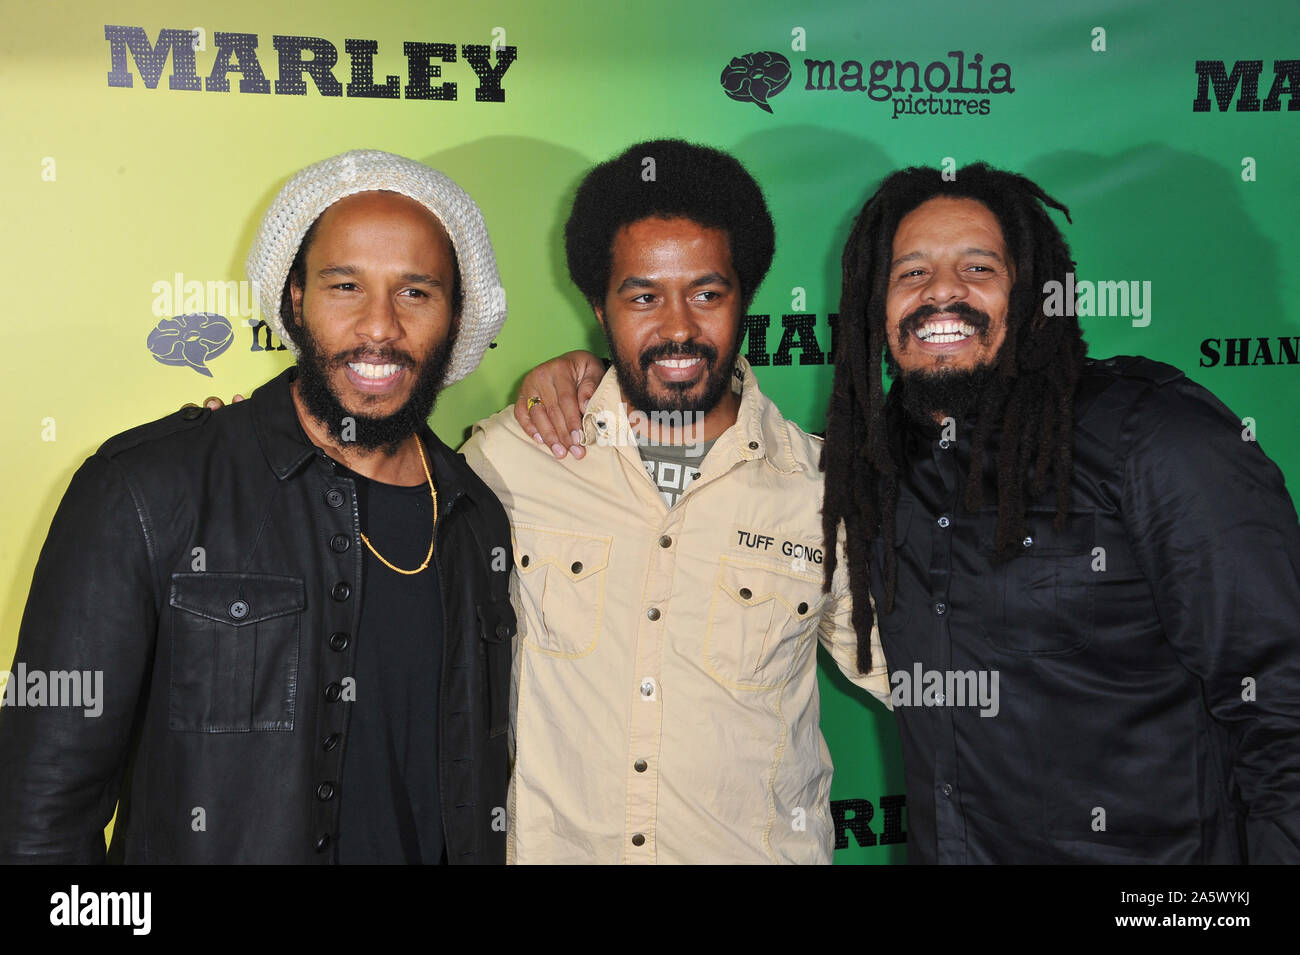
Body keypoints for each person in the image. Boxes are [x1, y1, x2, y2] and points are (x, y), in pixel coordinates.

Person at [522, 160, 1300, 864]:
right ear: (876, 302)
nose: (941, 293)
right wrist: (586, 375)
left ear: (1034, 291)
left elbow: (1282, 704)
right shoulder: (865, 471)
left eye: (978, 268)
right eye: (912, 272)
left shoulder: (1155, 439)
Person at [0, 150, 516, 864]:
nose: (379, 327)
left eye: (416, 292)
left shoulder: (474, 515)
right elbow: (37, 823)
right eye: (344, 285)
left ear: (457, 317)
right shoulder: (147, 489)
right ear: (295, 298)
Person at [463, 139, 890, 864]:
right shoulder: (509, 459)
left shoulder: (827, 489)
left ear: (744, 298)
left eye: (706, 292)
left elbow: (930, 673)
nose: (679, 327)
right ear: (599, 306)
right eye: (643, 296)